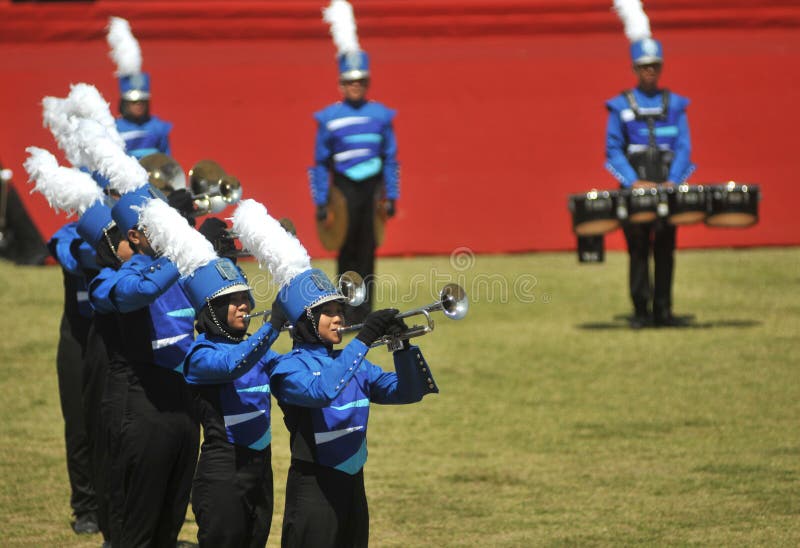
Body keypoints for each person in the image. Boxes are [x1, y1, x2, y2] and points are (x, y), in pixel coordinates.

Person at [269, 269, 439, 547]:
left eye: (340, 311)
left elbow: (408, 392)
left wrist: (401, 346)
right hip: (314, 489)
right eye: (327, 312)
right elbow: (323, 390)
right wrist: (365, 338)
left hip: (353, 482)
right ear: (305, 320)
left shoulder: (353, 363)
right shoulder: (288, 368)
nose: (338, 318)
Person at [90, 187, 199, 546]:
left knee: (171, 518)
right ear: (134, 236)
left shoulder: (179, 267)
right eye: (158, 225)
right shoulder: (114, 277)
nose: (167, 230)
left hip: (185, 403)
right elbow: (138, 291)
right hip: (143, 405)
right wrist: (183, 247)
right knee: (137, 522)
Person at [181, 256, 286, 547]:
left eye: (245, 298)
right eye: (233, 300)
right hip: (224, 474)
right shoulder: (200, 355)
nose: (244, 306)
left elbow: (292, 373)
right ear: (213, 310)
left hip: (261, 468)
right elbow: (231, 365)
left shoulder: (253, 348)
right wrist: (273, 326)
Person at [605, 2, 695, 328]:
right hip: (636, 188)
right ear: (635, 68)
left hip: (666, 185)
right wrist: (633, 182)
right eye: (644, 66)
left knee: (666, 247)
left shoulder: (675, 104)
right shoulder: (621, 106)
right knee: (638, 247)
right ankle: (641, 310)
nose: (650, 71)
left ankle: (664, 310)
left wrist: (674, 180)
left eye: (655, 66)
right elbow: (613, 149)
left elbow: (684, 147)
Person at [309, 0, 399, 323]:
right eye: (350, 81)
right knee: (346, 250)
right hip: (344, 189)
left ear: (367, 82)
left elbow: (390, 159)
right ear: (341, 83)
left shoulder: (381, 115)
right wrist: (321, 201)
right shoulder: (329, 118)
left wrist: (392, 195)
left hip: (372, 189)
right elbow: (320, 164)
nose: (355, 86)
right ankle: (344, 310)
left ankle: (366, 313)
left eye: (360, 81)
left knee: (368, 249)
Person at [107, 17, 172, 159]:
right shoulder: (113, 129)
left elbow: (167, 161)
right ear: (124, 103)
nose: (139, 105)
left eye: (142, 101)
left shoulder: (158, 127)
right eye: (134, 102)